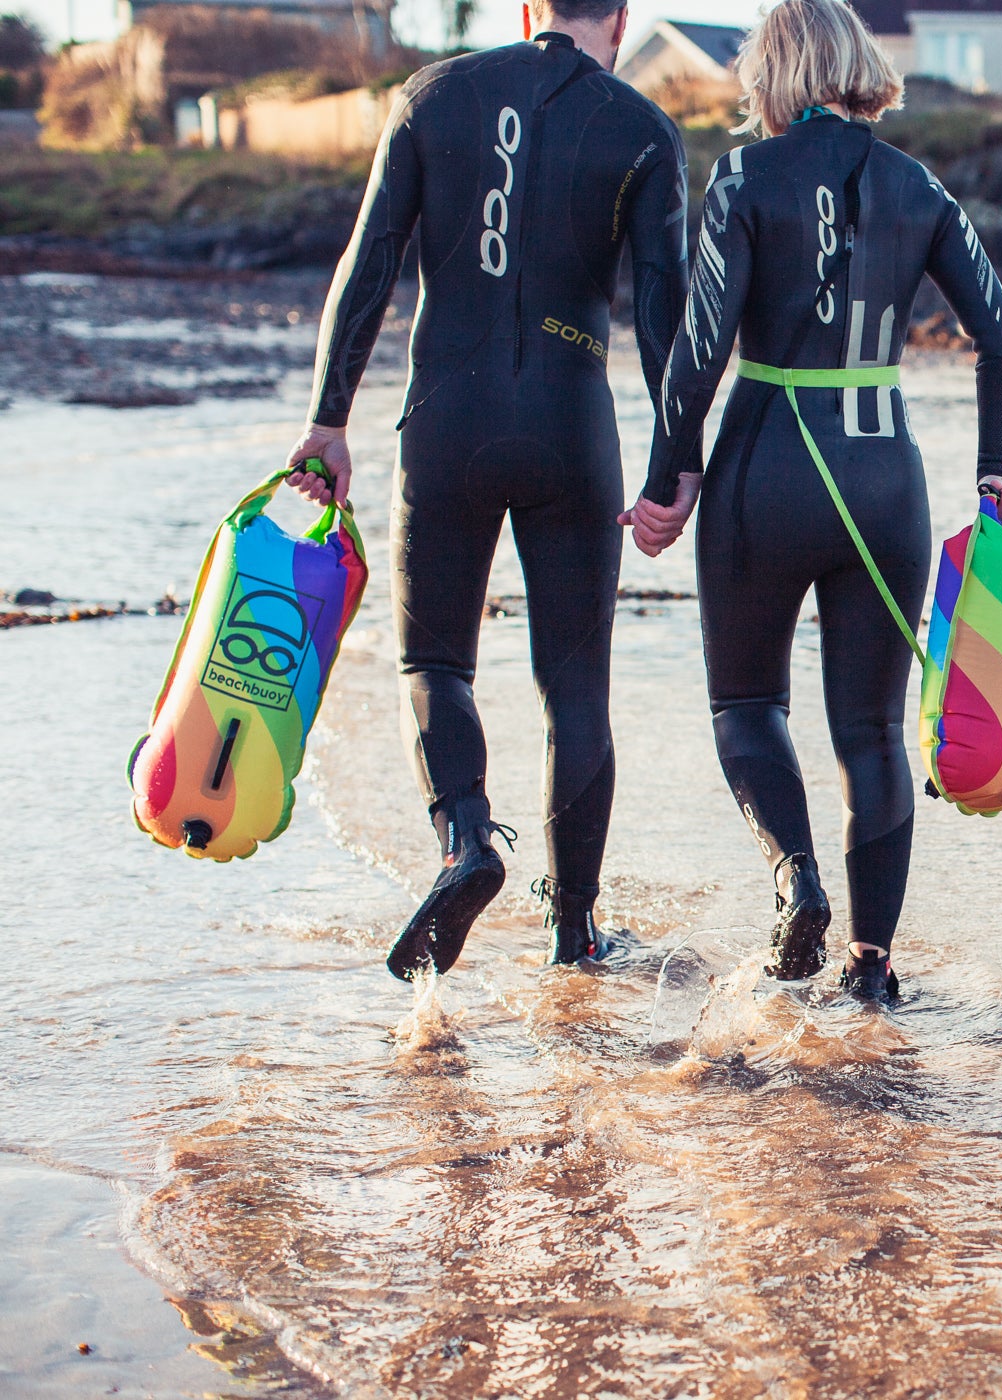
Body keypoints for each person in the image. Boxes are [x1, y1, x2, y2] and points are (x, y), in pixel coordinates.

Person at [622, 0, 1002, 1003]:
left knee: (747, 702)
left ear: (778, 74)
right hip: (882, 477)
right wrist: (995, 475)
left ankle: (795, 878)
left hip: (767, 466)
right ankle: (874, 968)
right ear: (859, 67)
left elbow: (699, 351)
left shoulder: (745, 178)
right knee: (872, 733)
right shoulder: (918, 186)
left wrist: (669, 475)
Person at [283, 0, 688, 978]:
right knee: (575, 685)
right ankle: (574, 932)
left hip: (447, 425)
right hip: (572, 429)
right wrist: (675, 468)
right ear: (621, 19)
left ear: (526, 9)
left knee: (433, 661)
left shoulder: (431, 97)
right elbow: (670, 314)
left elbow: (369, 263)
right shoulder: (642, 131)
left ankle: (467, 841)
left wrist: (329, 418)